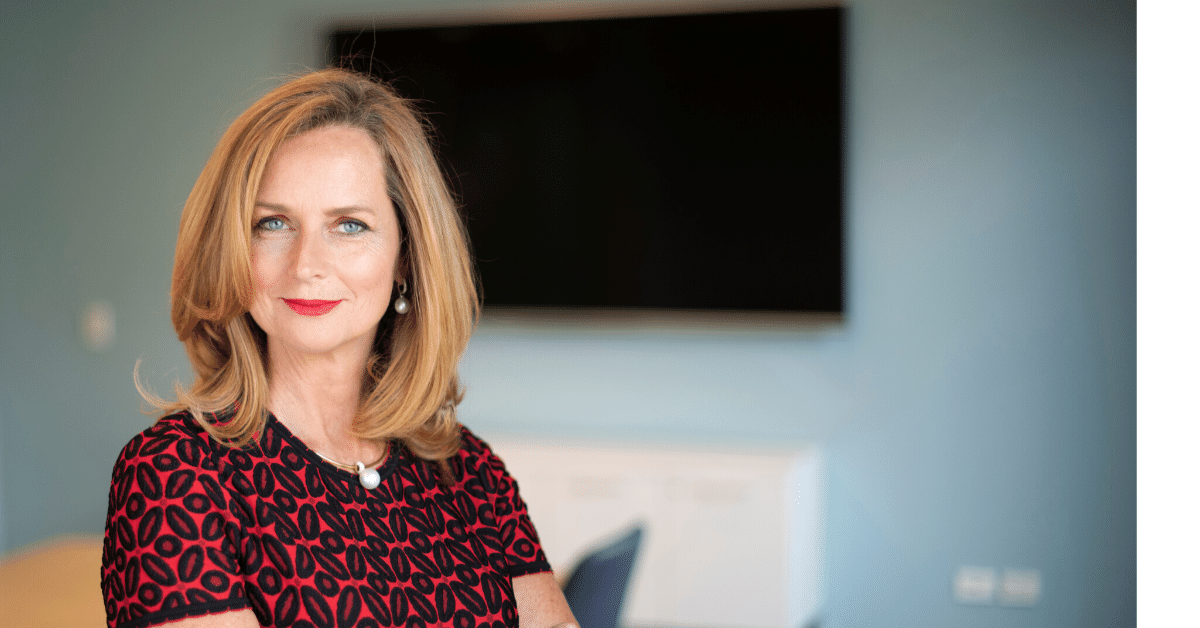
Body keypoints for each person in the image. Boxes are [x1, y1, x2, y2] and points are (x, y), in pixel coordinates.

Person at [100, 69, 578, 628]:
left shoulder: (469, 470)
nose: (306, 264)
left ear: (406, 255)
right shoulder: (174, 475)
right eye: (273, 223)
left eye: (349, 225)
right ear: (231, 247)